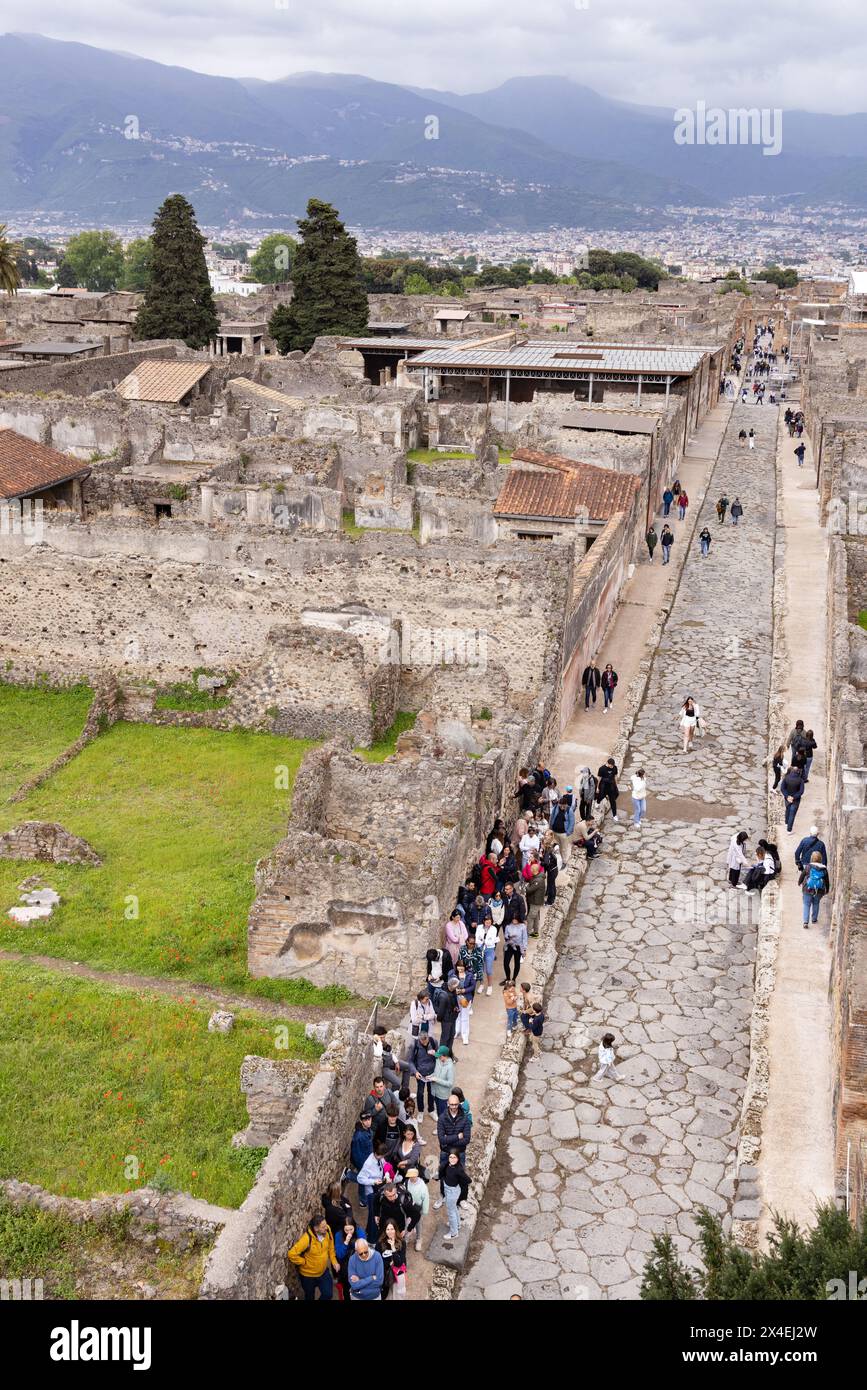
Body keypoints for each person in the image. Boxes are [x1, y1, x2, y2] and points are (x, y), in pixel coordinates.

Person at [288, 1214, 338, 1301]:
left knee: (328, 1294)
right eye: (323, 1227)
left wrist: (334, 1261)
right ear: (316, 1228)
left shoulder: (327, 1230)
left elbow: (331, 1247)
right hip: (308, 1276)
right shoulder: (306, 1239)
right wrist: (304, 1262)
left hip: (323, 1272)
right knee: (309, 1297)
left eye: (326, 1225)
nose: (326, 1228)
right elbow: (291, 1254)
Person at [434, 1094, 471, 1209]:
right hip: (446, 1152)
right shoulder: (442, 1118)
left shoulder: (465, 1118)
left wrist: (449, 1139)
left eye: (455, 1104)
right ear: (447, 1104)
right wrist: (457, 1136)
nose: (454, 1106)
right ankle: (443, 1196)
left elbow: (466, 1139)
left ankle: (462, 1199)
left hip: (459, 1152)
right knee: (443, 1174)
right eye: (451, 1104)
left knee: (461, 1175)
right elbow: (441, 1139)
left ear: (459, 1104)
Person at [441, 1149, 470, 1247]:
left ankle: (454, 1233)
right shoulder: (449, 1165)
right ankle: (457, 1225)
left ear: (458, 1158)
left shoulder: (459, 1169)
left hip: (453, 1191)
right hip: (448, 1188)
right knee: (454, 1208)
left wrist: (460, 1185)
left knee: (451, 1212)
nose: (452, 1159)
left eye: (454, 1157)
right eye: (450, 1157)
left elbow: (468, 1180)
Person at [334, 1215, 365, 1302]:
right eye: (346, 1230)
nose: (349, 1232)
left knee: (359, 1285)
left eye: (351, 1229)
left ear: (354, 1227)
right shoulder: (338, 1235)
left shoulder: (359, 1232)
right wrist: (346, 1242)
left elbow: (364, 1249)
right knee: (347, 1287)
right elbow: (339, 1254)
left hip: (359, 1264)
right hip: (345, 1265)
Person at [375, 1221, 407, 1300]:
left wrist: (393, 1247)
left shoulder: (402, 1242)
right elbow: (377, 1261)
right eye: (387, 1229)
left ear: (395, 1230)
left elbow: (399, 1263)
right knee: (384, 1294)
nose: (390, 1232)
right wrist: (389, 1263)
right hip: (384, 1273)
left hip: (397, 1273)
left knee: (397, 1295)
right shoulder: (380, 1243)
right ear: (385, 1231)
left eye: (392, 1229)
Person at [800, 852, 830, 929]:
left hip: (807, 888)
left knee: (806, 904)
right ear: (820, 859)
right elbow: (826, 880)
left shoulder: (808, 866)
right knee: (816, 903)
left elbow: (802, 875)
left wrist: (799, 882)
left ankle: (805, 922)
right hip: (819, 889)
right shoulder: (824, 868)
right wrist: (827, 889)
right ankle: (814, 919)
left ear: (812, 858)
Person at [404, 1167, 429, 1252]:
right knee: (406, 1222)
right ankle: (406, 1238)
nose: (412, 1178)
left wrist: (425, 1210)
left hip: (418, 1208)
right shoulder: (406, 1182)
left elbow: (426, 1199)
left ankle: (419, 1239)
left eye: (413, 1176)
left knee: (418, 1223)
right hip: (408, 1206)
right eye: (410, 1176)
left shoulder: (422, 1185)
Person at [430, 1045, 455, 1118]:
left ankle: (442, 1129)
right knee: (439, 1113)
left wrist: (436, 1080)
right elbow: (436, 1073)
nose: (438, 1057)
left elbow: (450, 1083)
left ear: (445, 1056)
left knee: (442, 1116)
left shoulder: (450, 1067)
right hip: (435, 1092)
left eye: (440, 1056)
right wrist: (431, 1076)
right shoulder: (439, 1060)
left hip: (443, 1096)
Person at [781, 762, 806, 833]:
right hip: (796, 799)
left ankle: (786, 822)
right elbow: (801, 791)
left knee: (787, 809)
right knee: (792, 813)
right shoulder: (800, 780)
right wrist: (793, 797)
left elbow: (783, 788)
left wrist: (787, 796)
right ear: (798, 772)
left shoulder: (786, 778)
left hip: (787, 798)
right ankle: (789, 830)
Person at [502, 913, 528, 983]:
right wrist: (509, 937)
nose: (514, 922)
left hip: (518, 947)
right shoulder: (508, 926)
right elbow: (506, 935)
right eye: (513, 920)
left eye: (515, 920)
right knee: (506, 963)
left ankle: (513, 979)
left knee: (517, 963)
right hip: (510, 946)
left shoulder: (523, 927)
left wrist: (524, 949)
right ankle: (508, 978)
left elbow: (525, 938)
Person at [454, 962, 475, 1047]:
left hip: (465, 998)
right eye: (458, 966)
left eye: (462, 967)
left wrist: (464, 990)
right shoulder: (453, 974)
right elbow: (450, 983)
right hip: (455, 998)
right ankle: (456, 1031)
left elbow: (473, 986)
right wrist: (454, 989)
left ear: (465, 967)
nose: (460, 968)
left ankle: (465, 1036)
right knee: (457, 1016)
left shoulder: (469, 975)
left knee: (465, 1017)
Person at [524, 858, 546, 938]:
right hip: (534, 900)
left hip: (535, 902)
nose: (530, 870)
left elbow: (530, 889)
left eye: (531, 869)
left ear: (534, 870)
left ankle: (527, 934)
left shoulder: (538, 880)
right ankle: (536, 933)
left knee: (530, 918)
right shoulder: (536, 877)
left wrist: (526, 886)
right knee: (536, 917)